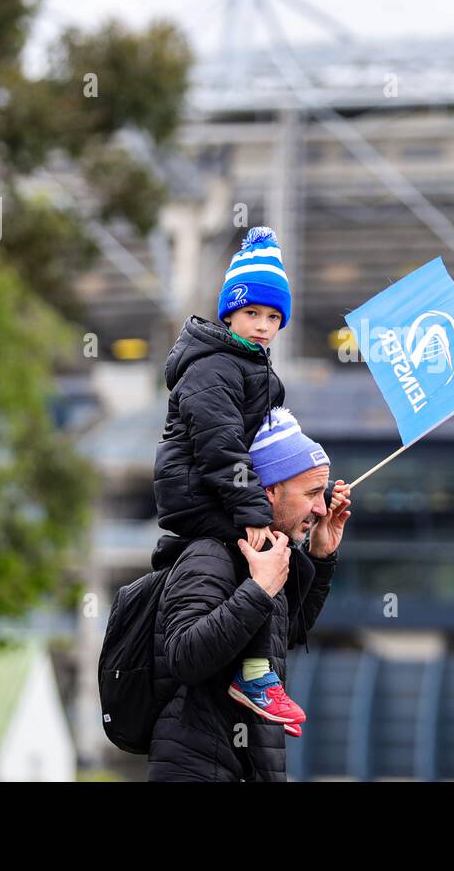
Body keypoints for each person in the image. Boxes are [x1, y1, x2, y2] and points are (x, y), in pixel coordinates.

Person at [152, 225, 309, 723]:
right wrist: (253, 512)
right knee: (260, 558)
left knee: (282, 560)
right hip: (196, 491)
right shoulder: (213, 368)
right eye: (251, 314)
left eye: (272, 316)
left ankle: (260, 668)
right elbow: (220, 448)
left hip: (222, 490)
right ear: (229, 314)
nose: (263, 325)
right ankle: (256, 676)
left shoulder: (257, 370)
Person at [148, 413, 352, 781]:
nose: (321, 508)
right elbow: (183, 656)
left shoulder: (262, 556)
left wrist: (320, 559)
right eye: (310, 494)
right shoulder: (210, 555)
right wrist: (259, 590)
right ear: (269, 490)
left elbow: (282, 638)